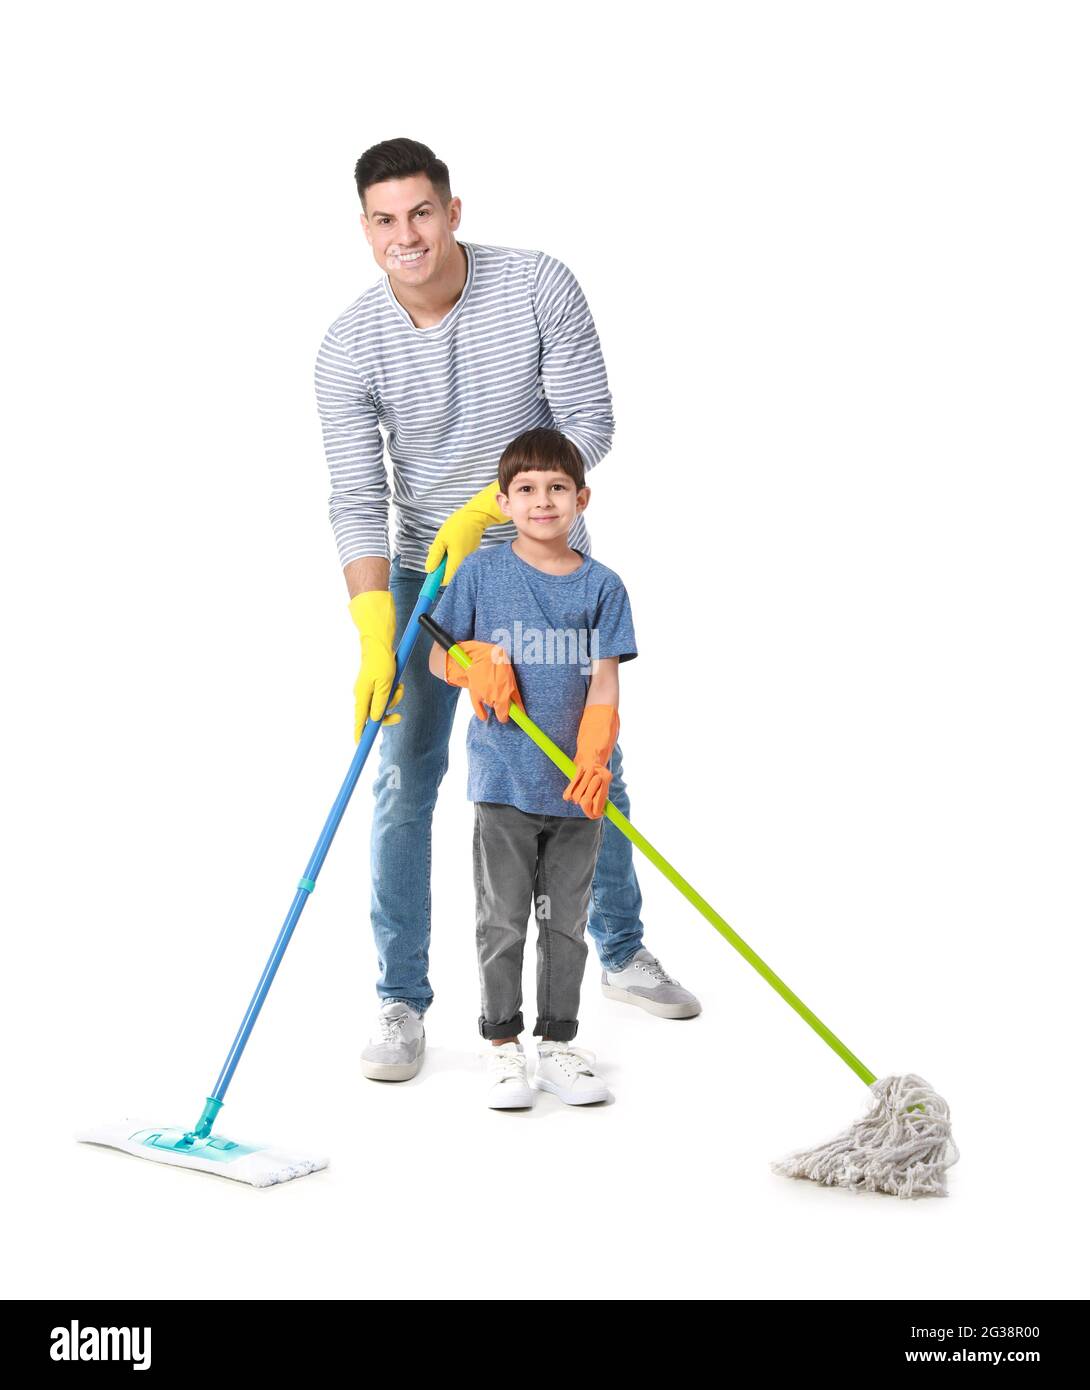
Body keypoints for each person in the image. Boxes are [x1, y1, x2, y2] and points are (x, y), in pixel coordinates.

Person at [314, 137, 700, 1083]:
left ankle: (617, 948)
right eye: (383, 219)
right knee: (406, 775)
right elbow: (359, 497)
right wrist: (375, 630)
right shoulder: (346, 347)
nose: (406, 236)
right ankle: (402, 999)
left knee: (582, 760)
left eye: (420, 213)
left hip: (542, 553)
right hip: (429, 578)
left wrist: (493, 504)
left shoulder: (536, 286)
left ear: (452, 211)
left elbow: (589, 420)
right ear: (364, 229)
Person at [427, 428, 629, 1107]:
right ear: (504, 501)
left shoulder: (603, 586)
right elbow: (435, 656)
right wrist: (472, 663)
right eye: (526, 489)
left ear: (582, 497)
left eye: (556, 488)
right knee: (504, 919)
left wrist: (596, 756)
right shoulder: (481, 575)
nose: (542, 500)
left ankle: (559, 1044)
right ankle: (504, 1046)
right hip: (504, 781)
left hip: (576, 788)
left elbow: (604, 683)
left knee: (567, 919)